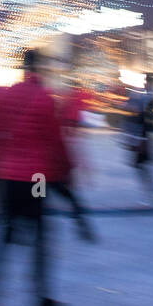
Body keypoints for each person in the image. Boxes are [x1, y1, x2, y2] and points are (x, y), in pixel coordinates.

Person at [0, 49, 70, 306]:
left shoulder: (6, 96)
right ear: (41, 68)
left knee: (5, 231)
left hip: (7, 177)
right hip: (36, 179)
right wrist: (66, 171)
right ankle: (40, 298)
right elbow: (55, 142)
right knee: (39, 232)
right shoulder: (45, 99)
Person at [53, 79, 95, 242]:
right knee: (69, 196)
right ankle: (82, 222)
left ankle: (37, 232)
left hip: (41, 171)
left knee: (39, 196)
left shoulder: (54, 126)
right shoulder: (57, 128)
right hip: (51, 170)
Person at [123, 75, 153, 204]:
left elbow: (142, 116)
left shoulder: (149, 97)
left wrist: (140, 140)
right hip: (141, 136)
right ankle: (150, 193)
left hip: (143, 137)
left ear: (150, 82)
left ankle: (150, 194)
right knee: (140, 165)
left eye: (146, 81)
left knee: (139, 165)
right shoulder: (147, 95)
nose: (144, 84)